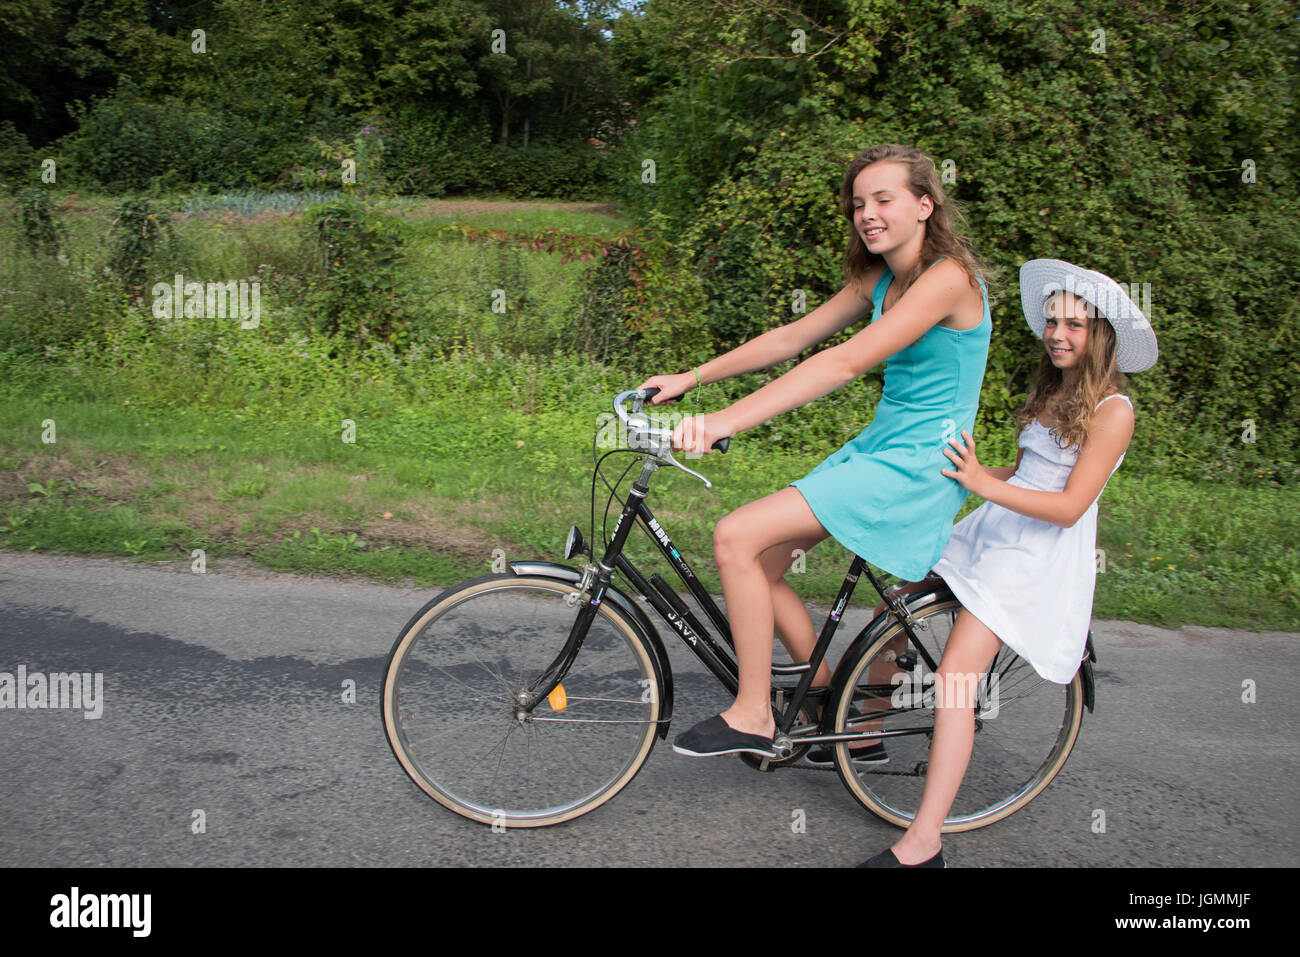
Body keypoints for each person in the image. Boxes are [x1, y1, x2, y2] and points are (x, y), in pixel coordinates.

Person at [635, 143, 992, 767]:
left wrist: (725, 421)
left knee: (734, 536)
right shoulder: (880, 275)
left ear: (925, 205)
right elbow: (793, 338)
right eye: (859, 203)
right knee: (763, 564)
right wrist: (692, 378)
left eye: (884, 199)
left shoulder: (948, 279)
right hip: (883, 447)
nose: (868, 214)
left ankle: (753, 711)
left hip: (921, 463)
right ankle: (826, 701)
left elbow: (846, 361)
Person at [858, 258, 1159, 867]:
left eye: (1074, 324)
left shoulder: (1114, 411)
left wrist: (981, 484)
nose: (1057, 334)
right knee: (898, 592)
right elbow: (1024, 476)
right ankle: (862, 728)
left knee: (956, 680)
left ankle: (924, 844)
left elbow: (1069, 506)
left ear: (1100, 333)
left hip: (1033, 554)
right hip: (996, 528)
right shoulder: (1057, 387)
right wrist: (957, 477)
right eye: (1052, 321)